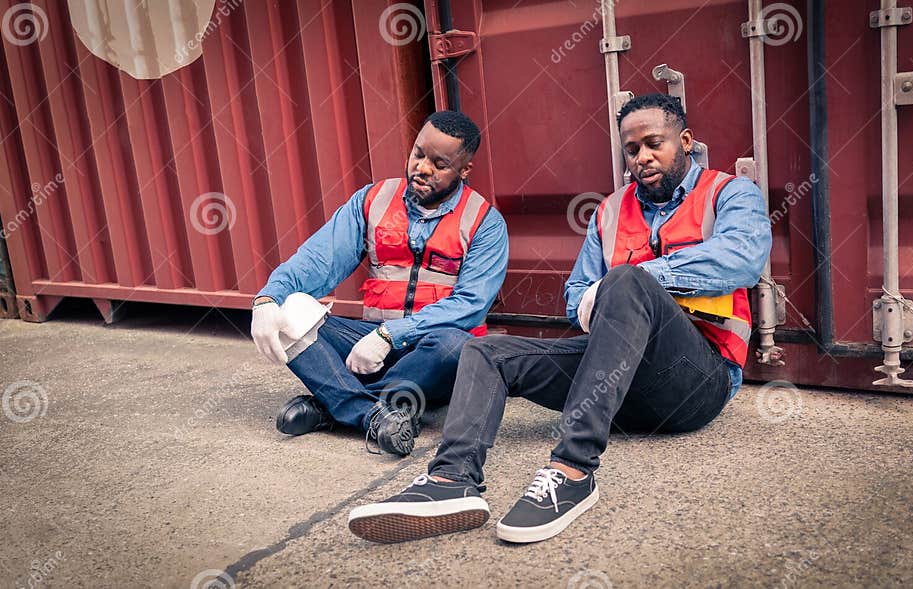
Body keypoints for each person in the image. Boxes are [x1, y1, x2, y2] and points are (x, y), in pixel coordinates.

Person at [347, 93, 772, 543]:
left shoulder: (729, 192)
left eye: (654, 144)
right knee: (486, 350)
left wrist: (630, 282)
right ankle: (451, 482)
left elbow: (742, 259)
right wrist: (594, 299)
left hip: (695, 381)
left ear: (685, 141)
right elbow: (576, 295)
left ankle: (571, 471)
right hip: (619, 389)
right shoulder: (608, 212)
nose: (642, 157)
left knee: (626, 280)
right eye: (631, 150)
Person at [250, 111, 508, 457]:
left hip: (430, 357)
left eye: (440, 164)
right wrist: (268, 298)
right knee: (290, 311)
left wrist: (390, 335)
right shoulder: (373, 201)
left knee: (456, 346)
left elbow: (470, 306)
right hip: (367, 348)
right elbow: (317, 261)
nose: (423, 168)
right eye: (418, 154)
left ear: (464, 171)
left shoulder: (485, 223)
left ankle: (334, 405)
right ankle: (375, 414)